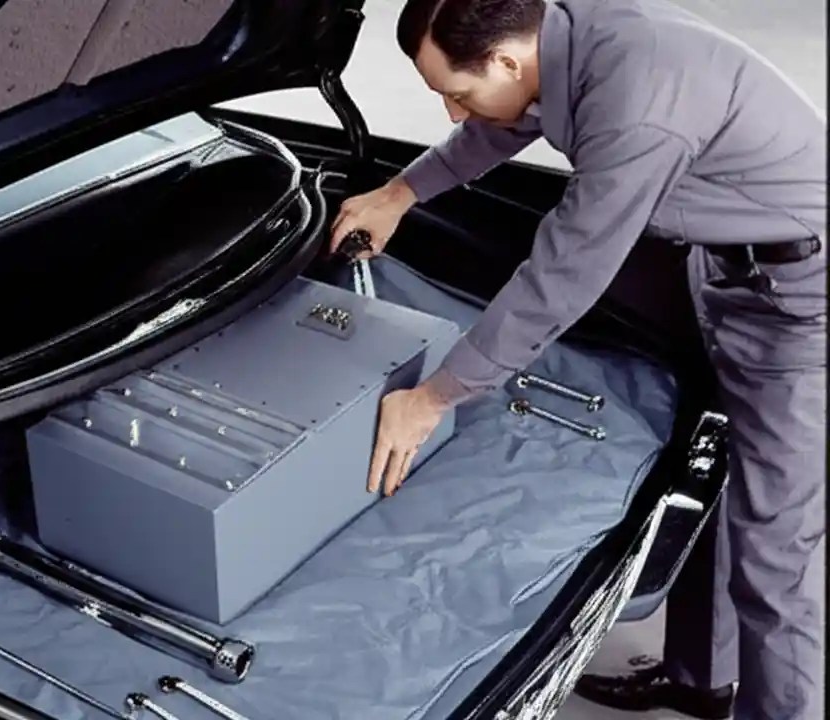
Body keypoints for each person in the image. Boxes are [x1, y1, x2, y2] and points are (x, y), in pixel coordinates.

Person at [328, 0, 826, 717]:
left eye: (457, 94)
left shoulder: (634, 103)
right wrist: (399, 192)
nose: (449, 112)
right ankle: (701, 681)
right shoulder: (556, 38)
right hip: (725, 262)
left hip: (797, 299)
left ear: (507, 61)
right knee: (716, 466)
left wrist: (434, 396)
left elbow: (562, 276)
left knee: (777, 549)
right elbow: (496, 126)